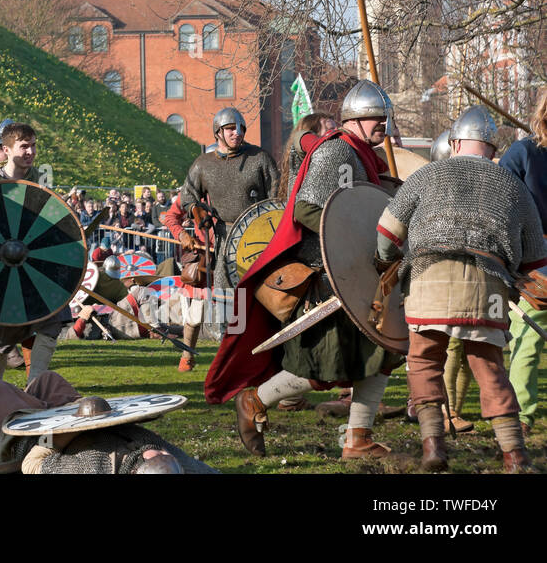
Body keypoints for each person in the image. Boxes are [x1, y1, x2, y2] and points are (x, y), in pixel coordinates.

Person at [207, 79, 400, 461]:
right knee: (320, 367)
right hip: (326, 278)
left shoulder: (365, 157)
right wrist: (351, 235)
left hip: (356, 277)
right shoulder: (336, 154)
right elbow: (306, 209)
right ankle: (254, 400)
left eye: (385, 117)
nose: (384, 124)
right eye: (377, 117)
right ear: (357, 119)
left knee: (380, 357)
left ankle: (358, 439)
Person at [376, 106, 547, 473]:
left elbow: (387, 233)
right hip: (488, 289)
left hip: (429, 280)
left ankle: (433, 447)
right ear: (492, 148)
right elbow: (535, 258)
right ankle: (515, 455)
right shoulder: (511, 184)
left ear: (454, 142)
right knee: (490, 369)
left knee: (423, 362)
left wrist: (387, 259)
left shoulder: (427, 175)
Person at [0, 370, 214, 474]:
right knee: (48, 380)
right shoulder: (171, 462)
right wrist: (152, 449)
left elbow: (33, 464)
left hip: (39, 438)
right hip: (83, 416)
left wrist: (65, 428)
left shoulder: (91, 468)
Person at [176, 107, 280, 371]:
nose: (237, 133)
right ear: (218, 132)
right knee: (225, 301)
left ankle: (267, 356)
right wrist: (195, 209)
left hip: (258, 237)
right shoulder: (203, 164)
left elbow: (278, 196)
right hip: (224, 240)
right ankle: (233, 358)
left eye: (240, 128)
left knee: (262, 298)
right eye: (231, 129)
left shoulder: (260, 158)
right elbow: (188, 195)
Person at [0, 122, 68, 382]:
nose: (30, 151)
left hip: (34, 263)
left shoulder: (40, 179)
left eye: (34, 145)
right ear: (6, 149)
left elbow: (52, 221)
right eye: (24, 146)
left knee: (50, 319)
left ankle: (35, 384)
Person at [501, 91, 547, 437]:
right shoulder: (524, 153)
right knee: (528, 340)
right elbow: (499, 199)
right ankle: (522, 413)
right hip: (536, 263)